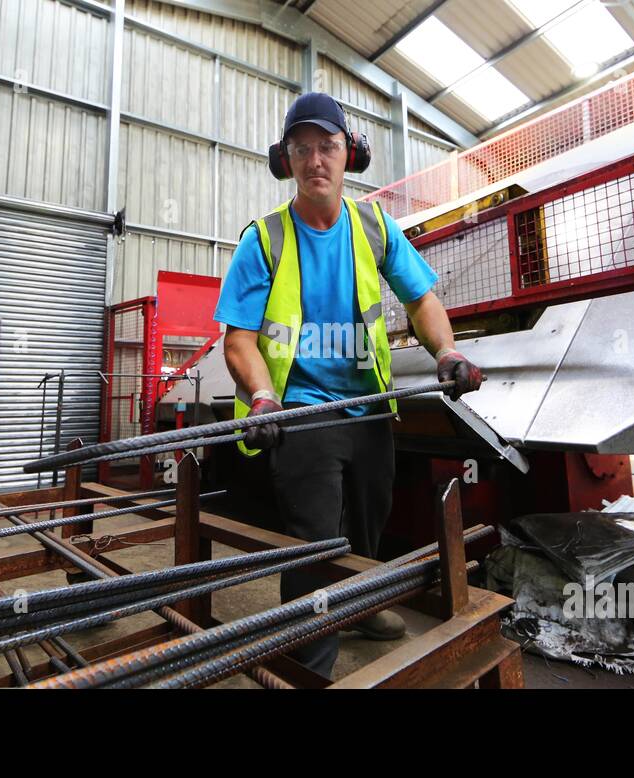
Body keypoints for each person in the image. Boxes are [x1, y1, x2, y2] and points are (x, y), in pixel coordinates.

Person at [212, 92, 483, 678]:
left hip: (369, 408)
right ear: (285, 160)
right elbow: (238, 340)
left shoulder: (374, 226)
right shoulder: (264, 239)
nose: (315, 160)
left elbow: (422, 298)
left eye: (327, 147)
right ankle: (310, 663)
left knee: (365, 528)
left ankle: (357, 609)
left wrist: (448, 350)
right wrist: (263, 397)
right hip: (300, 410)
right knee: (315, 541)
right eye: (301, 149)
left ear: (347, 155)